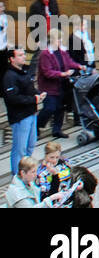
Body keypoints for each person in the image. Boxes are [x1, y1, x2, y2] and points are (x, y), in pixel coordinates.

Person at [36, 30, 83, 138]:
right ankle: (37, 125)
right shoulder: (45, 54)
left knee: (60, 108)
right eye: (58, 39)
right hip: (48, 87)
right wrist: (63, 74)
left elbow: (69, 62)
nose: (60, 41)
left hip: (61, 85)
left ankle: (57, 129)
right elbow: (47, 72)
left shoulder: (62, 51)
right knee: (49, 108)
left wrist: (78, 66)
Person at [4, 47, 43, 176]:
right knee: (19, 149)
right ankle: (17, 175)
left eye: (24, 54)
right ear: (12, 59)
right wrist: (33, 99)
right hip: (20, 116)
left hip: (31, 113)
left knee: (30, 145)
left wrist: (38, 94)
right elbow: (13, 97)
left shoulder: (24, 71)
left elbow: (29, 88)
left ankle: (26, 172)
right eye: (20, 55)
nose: (24, 56)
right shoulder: (9, 76)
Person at [5, 156, 76, 208]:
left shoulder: (30, 183)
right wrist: (51, 199)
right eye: (33, 172)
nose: (35, 174)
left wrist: (55, 176)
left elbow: (44, 196)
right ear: (23, 173)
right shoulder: (16, 192)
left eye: (36, 171)